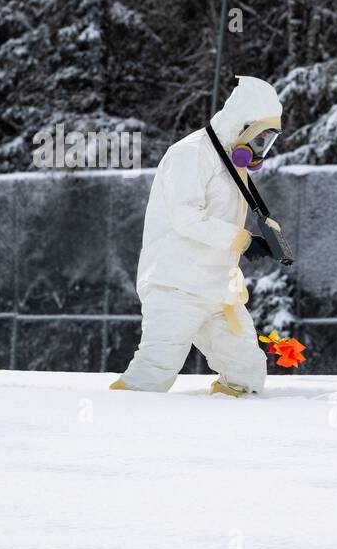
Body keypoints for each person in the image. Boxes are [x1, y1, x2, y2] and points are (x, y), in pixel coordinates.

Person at [111, 75, 284, 397]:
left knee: (246, 375)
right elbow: (187, 218)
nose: (261, 148)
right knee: (153, 373)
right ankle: (111, 438)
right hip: (176, 285)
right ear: (240, 126)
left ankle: (219, 440)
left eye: (268, 141)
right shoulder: (189, 154)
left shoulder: (231, 163)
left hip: (219, 290)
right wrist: (244, 241)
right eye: (260, 138)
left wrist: (258, 238)